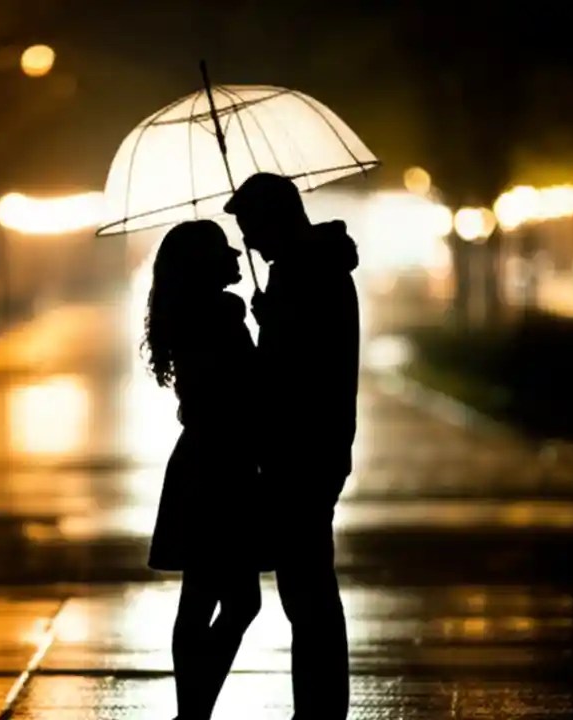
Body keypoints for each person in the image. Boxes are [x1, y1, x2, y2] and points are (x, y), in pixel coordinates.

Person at [224, 172, 359, 720]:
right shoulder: (311, 268)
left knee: (307, 591)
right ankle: (320, 706)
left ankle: (321, 710)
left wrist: (270, 330)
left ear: (275, 218)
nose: (248, 241)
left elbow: (296, 371)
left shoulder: (305, 275)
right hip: (314, 446)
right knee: (307, 586)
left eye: (251, 226)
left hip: (302, 449)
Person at [144, 219, 271, 720]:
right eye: (224, 249)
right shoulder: (215, 316)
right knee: (225, 600)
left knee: (208, 597)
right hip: (219, 467)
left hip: (209, 461)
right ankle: (192, 711)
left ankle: (192, 710)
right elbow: (244, 388)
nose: (237, 256)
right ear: (203, 262)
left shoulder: (202, 314)